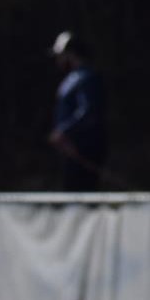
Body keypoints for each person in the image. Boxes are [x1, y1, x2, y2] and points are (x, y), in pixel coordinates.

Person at [47, 31, 107, 191]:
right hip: (70, 150)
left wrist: (64, 131)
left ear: (71, 54)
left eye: (61, 55)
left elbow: (88, 111)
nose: (58, 60)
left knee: (82, 192)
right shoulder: (73, 78)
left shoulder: (86, 78)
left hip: (83, 149)